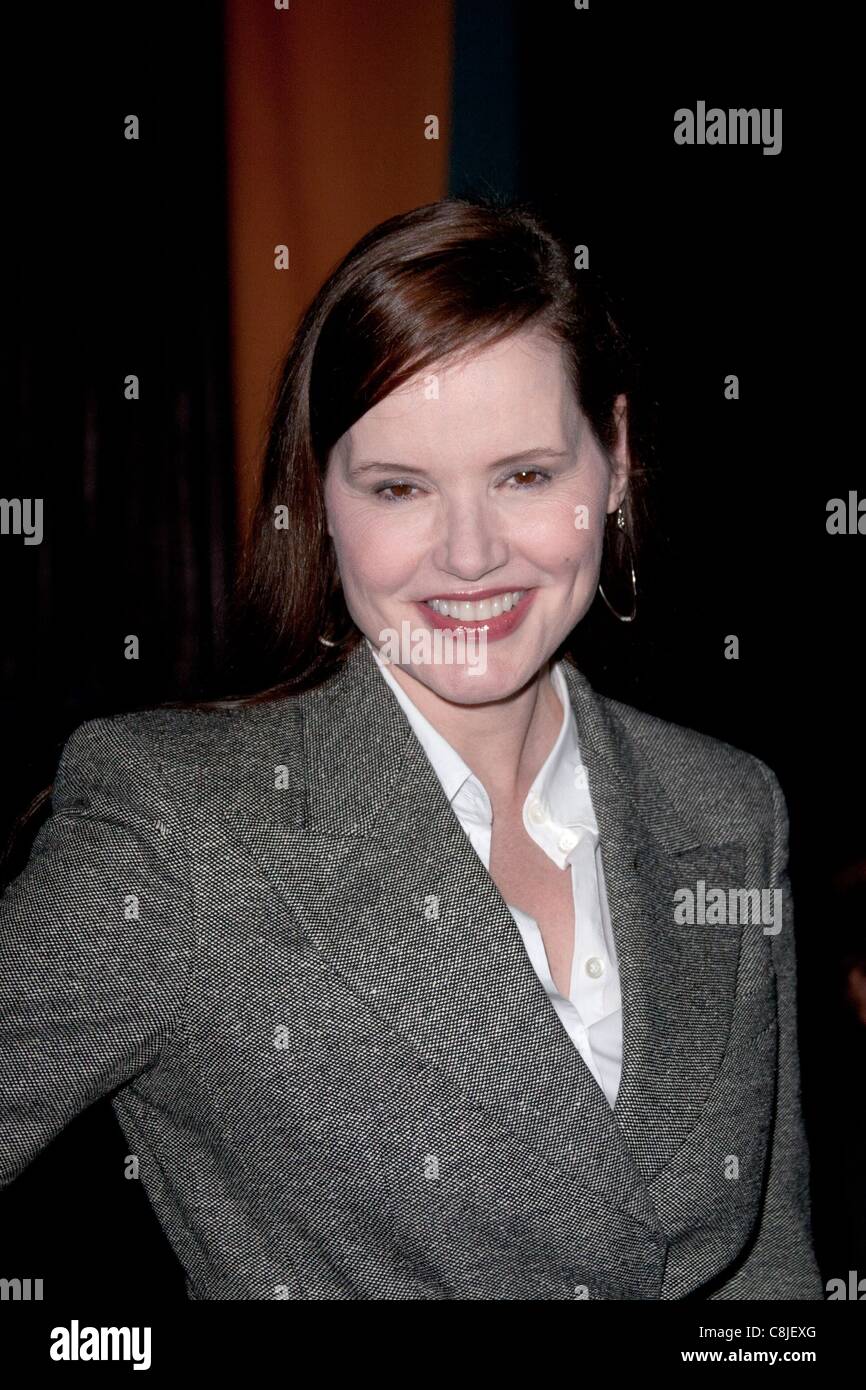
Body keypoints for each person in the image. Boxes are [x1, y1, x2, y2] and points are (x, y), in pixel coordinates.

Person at [0, 197, 824, 1300]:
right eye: (398, 488)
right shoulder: (177, 830)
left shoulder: (727, 809)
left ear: (615, 460)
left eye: (524, 475)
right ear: (320, 501)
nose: (471, 554)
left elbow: (763, 1273)